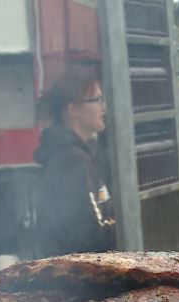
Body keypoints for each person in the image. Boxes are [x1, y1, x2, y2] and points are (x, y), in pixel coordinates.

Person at [33, 70, 115, 257]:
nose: (104, 108)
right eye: (97, 100)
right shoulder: (72, 163)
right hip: (83, 280)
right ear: (73, 109)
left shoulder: (75, 156)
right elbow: (88, 237)